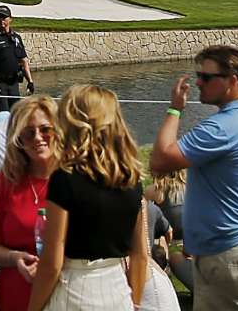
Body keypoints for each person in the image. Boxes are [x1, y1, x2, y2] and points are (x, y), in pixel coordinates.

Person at [148, 46, 238, 311]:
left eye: (207, 77)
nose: (198, 82)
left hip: (228, 255)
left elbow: (160, 160)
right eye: (198, 75)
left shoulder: (221, 128)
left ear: (232, 80)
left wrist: (175, 110)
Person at [27, 84, 150, 311]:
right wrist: (136, 302)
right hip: (117, 287)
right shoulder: (131, 180)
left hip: (76, 285)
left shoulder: (65, 178)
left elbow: (53, 262)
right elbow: (140, 255)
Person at [0, 96, 57, 311]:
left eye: (45, 129)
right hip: (16, 290)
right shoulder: (5, 181)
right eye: (29, 133)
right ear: (17, 139)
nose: (38, 138)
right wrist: (14, 258)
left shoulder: (74, 179)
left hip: (63, 290)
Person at [0, 8, 34, 101]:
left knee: (15, 112)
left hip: (14, 83)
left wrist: (30, 81)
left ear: (10, 19)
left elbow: (24, 60)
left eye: (4, 17)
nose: (1, 20)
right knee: (2, 113)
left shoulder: (16, 38)